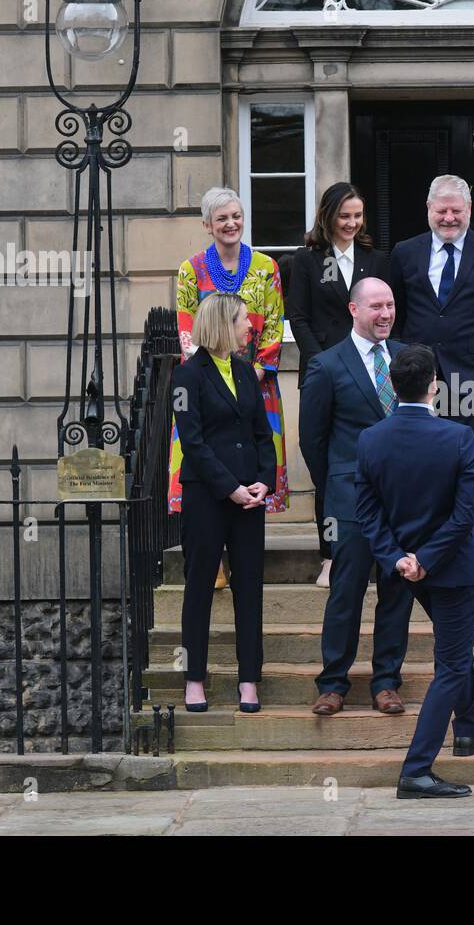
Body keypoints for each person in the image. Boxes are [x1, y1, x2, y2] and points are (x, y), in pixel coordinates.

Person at [355, 344, 474, 799]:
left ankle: (469, 732)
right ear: (434, 383)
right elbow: (465, 515)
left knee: (457, 651)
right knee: (453, 664)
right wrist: (426, 559)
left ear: (392, 387)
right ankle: (416, 770)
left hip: (405, 567)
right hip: (450, 567)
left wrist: (399, 558)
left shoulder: (371, 438)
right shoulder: (459, 437)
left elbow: (367, 512)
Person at [299, 277, 415, 716]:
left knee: (397, 592)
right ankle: (332, 684)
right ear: (353, 310)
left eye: (390, 305)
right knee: (345, 594)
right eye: (376, 307)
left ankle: (386, 682)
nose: (385, 314)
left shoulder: (408, 357)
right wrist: (337, 490)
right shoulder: (326, 365)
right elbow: (313, 440)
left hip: (404, 501)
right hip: (350, 503)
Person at [389, 174, 474, 570]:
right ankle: (419, 553)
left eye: (456, 210)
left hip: (472, 376)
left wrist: (473, 353)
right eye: (441, 210)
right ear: (428, 210)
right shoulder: (404, 252)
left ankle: (470, 556)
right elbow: (398, 313)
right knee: (420, 460)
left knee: (471, 459)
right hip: (418, 376)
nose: (448, 218)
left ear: (469, 211)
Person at [171, 292, 276, 714]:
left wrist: (264, 483)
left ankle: (249, 678)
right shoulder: (186, 377)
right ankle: (194, 677)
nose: (250, 327)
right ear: (221, 324)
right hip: (207, 497)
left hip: (250, 499)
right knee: (199, 587)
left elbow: (262, 434)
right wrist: (229, 487)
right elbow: (191, 442)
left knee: (249, 588)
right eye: (242, 321)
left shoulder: (246, 372)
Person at [169, 187, 289, 551]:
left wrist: (254, 372)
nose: (230, 223)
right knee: (207, 453)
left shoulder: (267, 267)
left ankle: (243, 540)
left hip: (256, 380)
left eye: (236, 216)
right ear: (207, 225)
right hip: (206, 382)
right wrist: (209, 376)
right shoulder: (190, 270)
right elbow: (186, 328)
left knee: (253, 453)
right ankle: (213, 553)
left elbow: (274, 323)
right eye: (221, 218)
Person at [286, 181, 391, 589]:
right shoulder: (306, 261)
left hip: (370, 376)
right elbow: (298, 317)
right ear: (327, 216)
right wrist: (320, 363)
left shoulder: (375, 258)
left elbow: (384, 311)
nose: (351, 223)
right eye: (344, 216)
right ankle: (330, 555)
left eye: (357, 216)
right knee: (327, 465)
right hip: (325, 373)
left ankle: (382, 550)